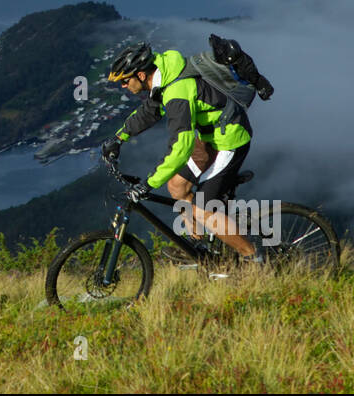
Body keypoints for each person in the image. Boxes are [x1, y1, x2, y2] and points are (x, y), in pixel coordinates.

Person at [102, 43, 260, 261]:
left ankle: (254, 259)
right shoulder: (162, 75)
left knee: (203, 210)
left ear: (140, 74)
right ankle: (199, 248)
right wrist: (119, 138)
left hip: (230, 138)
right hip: (209, 136)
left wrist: (149, 183)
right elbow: (150, 111)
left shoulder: (177, 93)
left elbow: (181, 147)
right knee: (177, 186)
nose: (122, 85)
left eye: (125, 80)